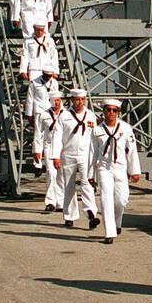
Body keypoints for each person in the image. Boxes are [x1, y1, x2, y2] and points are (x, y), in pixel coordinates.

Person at [88, 99, 141, 244]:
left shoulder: (125, 128)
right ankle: (109, 232)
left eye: (114, 110)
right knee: (106, 199)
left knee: (121, 200)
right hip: (104, 168)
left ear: (118, 112)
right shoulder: (97, 130)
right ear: (104, 111)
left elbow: (131, 151)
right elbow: (92, 153)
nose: (111, 112)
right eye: (108, 109)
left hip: (120, 167)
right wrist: (90, 174)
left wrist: (134, 170)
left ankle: (117, 223)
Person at [50, 88, 99, 230]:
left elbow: (95, 138)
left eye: (82, 100)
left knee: (87, 184)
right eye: (77, 99)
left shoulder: (90, 116)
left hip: (85, 155)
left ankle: (91, 214)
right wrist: (55, 156)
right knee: (69, 186)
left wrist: (96, 156)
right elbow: (57, 137)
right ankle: (69, 216)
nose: (80, 102)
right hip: (68, 154)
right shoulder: (64, 116)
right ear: (72, 100)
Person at [19, 20, 60, 169]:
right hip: (35, 71)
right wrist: (23, 70)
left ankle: (51, 157)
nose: (40, 32)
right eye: (37, 29)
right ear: (34, 29)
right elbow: (25, 56)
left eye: (42, 30)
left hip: (50, 109)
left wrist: (55, 71)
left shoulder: (49, 41)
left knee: (52, 133)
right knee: (38, 133)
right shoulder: (28, 41)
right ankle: (37, 159)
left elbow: (54, 56)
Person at [38, 90, 66, 212]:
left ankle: (61, 202)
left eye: (59, 100)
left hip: (63, 146)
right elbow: (38, 133)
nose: (57, 103)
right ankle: (50, 201)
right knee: (51, 172)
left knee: (61, 175)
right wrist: (37, 150)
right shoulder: (43, 115)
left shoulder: (67, 114)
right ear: (50, 101)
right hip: (49, 145)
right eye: (55, 100)